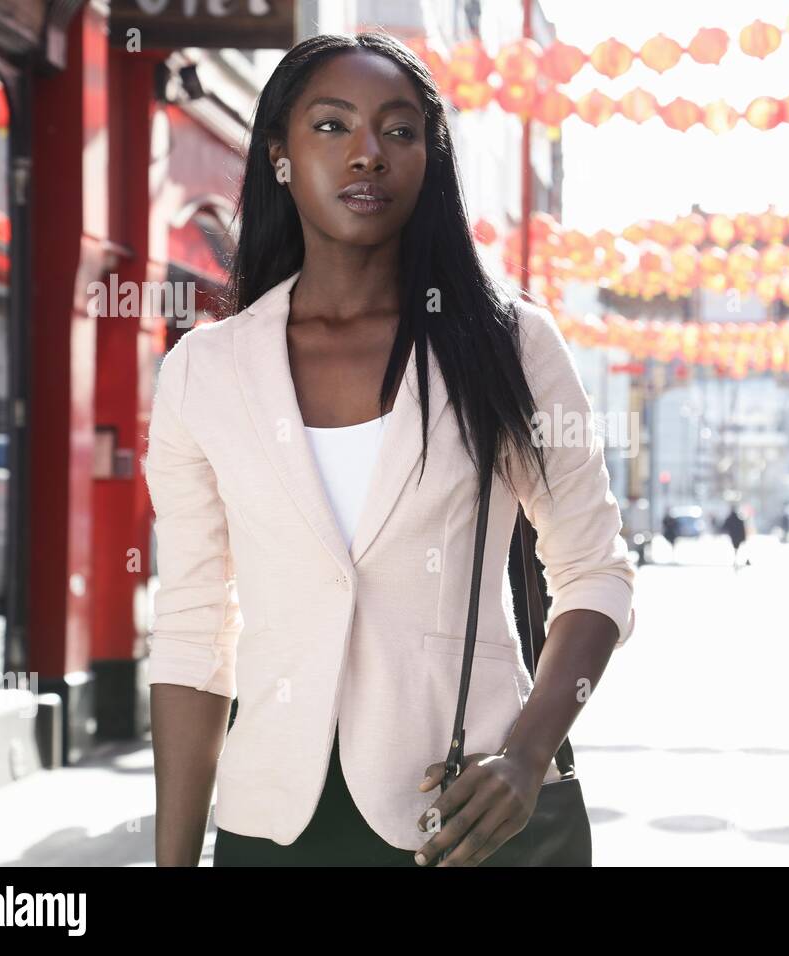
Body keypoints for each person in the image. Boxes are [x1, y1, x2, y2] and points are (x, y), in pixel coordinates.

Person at [145, 31, 636, 867]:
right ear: (280, 158)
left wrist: (525, 756)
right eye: (332, 127)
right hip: (273, 828)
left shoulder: (509, 344)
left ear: (429, 161)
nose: (367, 154)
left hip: (465, 816)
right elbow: (195, 630)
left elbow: (595, 573)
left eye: (399, 131)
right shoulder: (205, 371)